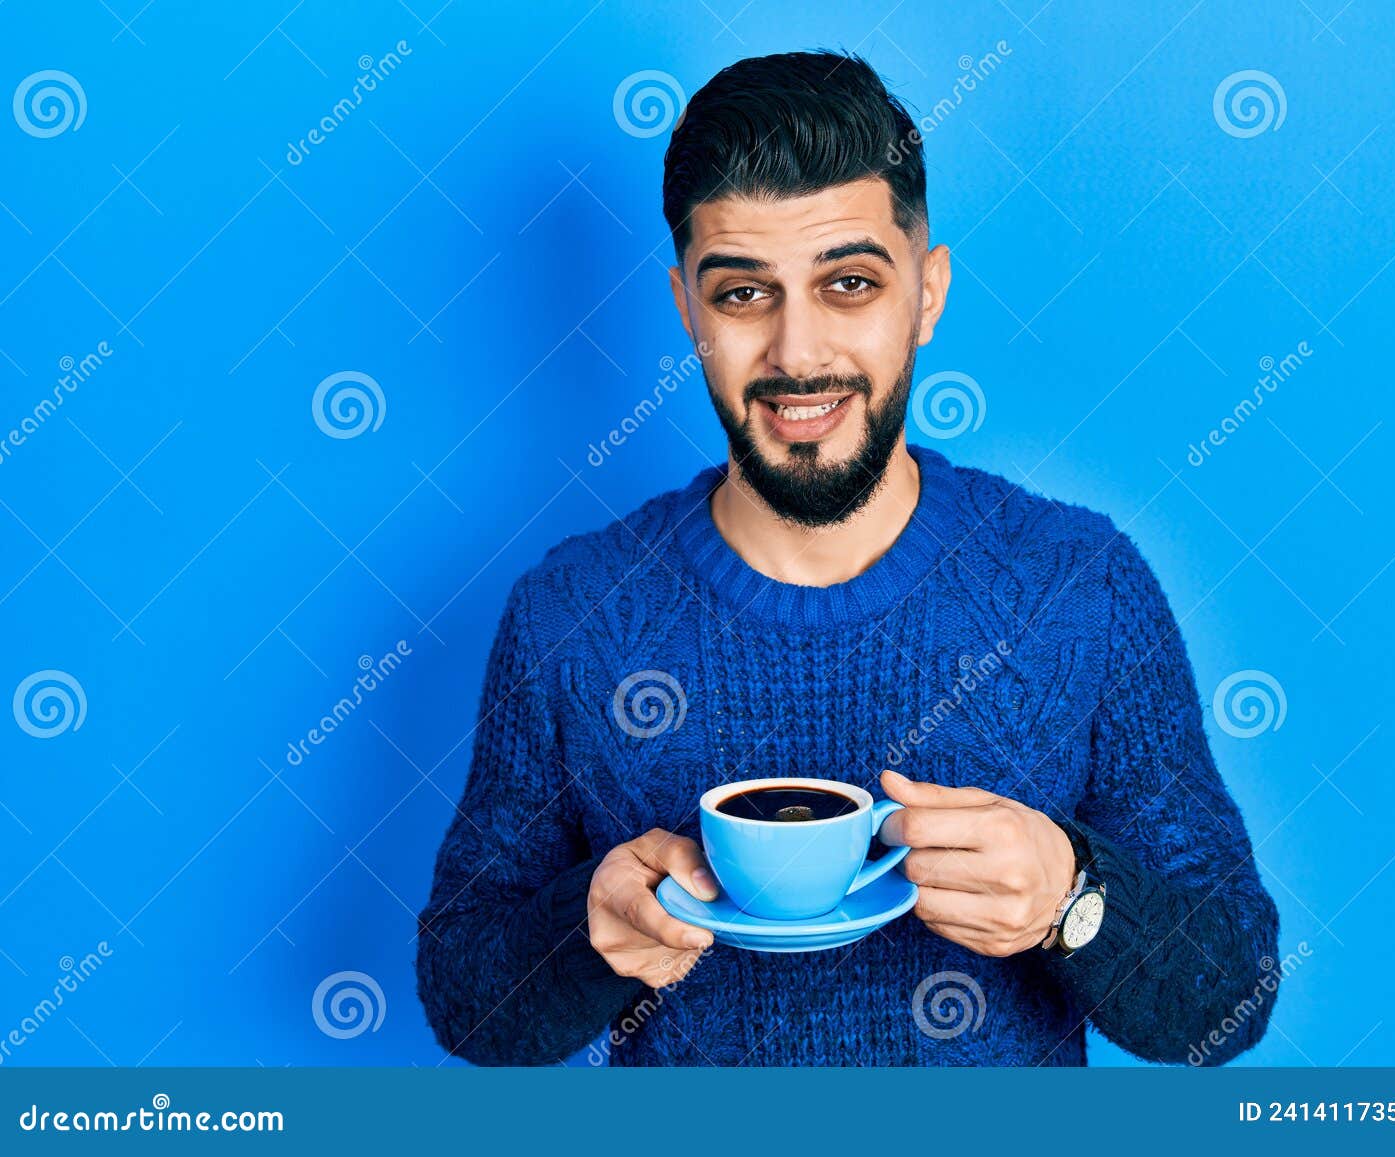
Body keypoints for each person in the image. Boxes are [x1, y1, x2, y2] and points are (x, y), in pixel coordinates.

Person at [416, 49, 1280, 1066]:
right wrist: (584, 933)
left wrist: (1071, 896)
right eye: (742, 294)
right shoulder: (569, 611)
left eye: (850, 283)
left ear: (926, 292)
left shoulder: (1078, 586)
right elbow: (467, 1002)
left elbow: (1231, 995)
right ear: (687, 309)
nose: (797, 352)